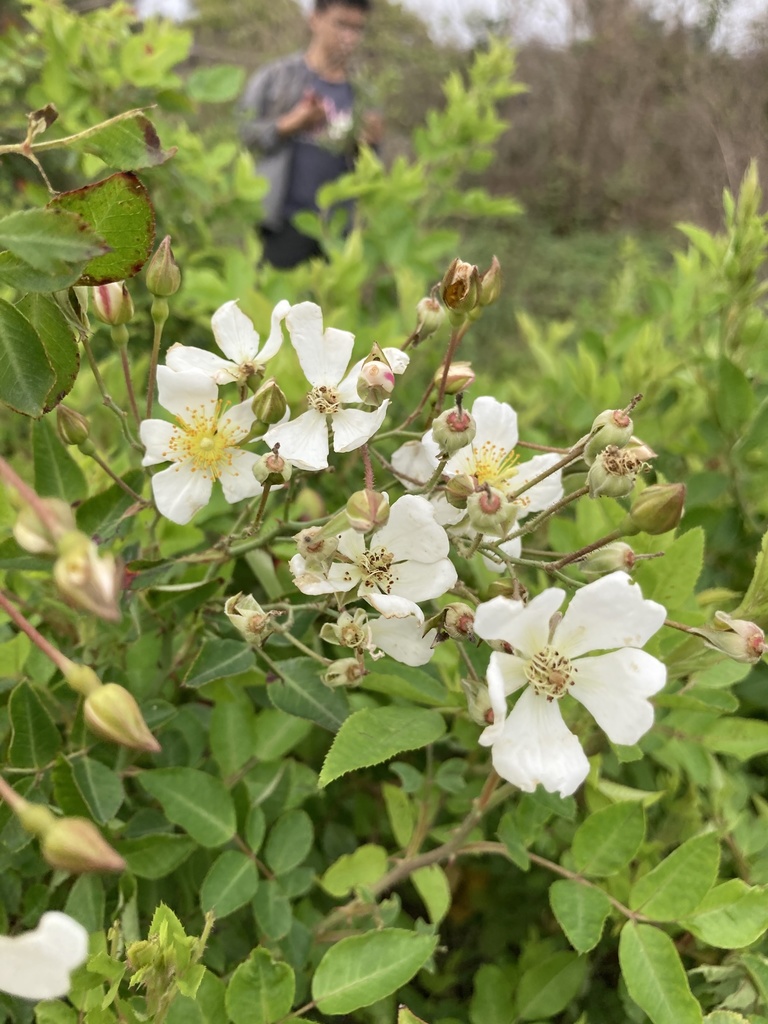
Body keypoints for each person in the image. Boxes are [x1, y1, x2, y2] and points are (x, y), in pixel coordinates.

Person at [239, 0, 382, 269]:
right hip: (281, 223)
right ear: (315, 19)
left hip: (336, 230)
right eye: (341, 24)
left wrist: (370, 145)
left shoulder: (363, 93)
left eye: (357, 28)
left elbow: (369, 167)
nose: (349, 36)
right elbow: (244, 132)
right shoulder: (276, 77)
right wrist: (290, 123)